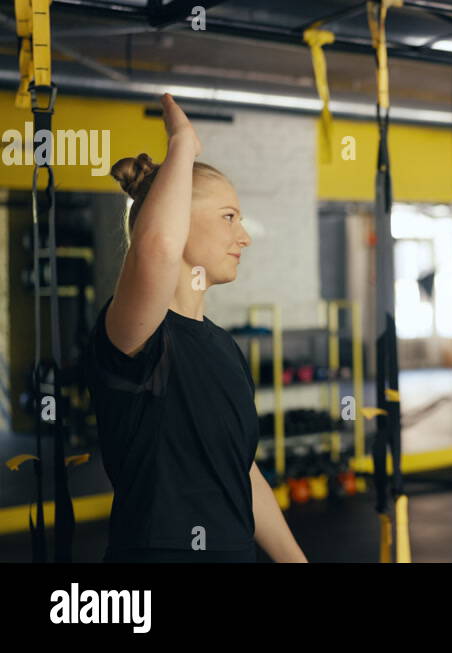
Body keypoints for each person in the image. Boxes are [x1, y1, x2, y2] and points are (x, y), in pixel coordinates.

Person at [86, 93, 307, 563]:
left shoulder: (221, 345)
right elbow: (156, 249)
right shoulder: (136, 336)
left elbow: (239, 472)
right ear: (177, 220)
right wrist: (183, 145)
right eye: (229, 217)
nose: (243, 235)